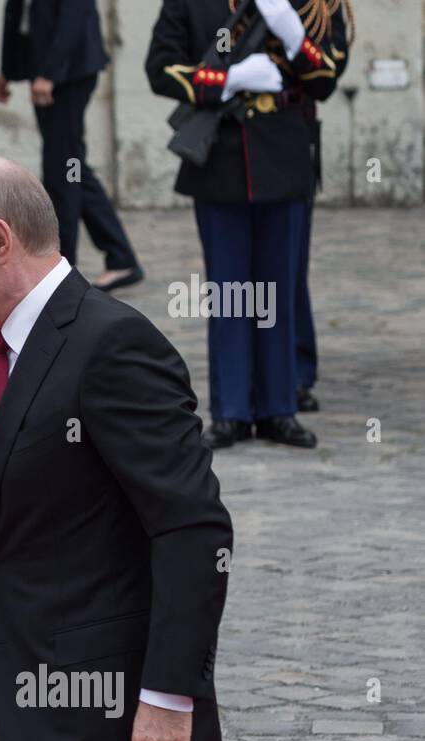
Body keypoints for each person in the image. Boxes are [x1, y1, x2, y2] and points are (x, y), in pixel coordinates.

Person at [0, 155, 232, 741]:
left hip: (118, 731)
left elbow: (194, 530)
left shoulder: (113, 345)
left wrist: (167, 699)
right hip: (46, 730)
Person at [146, 0, 348, 449]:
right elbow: (160, 68)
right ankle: (231, 411)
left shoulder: (304, 4)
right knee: (230, 293)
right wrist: (230, 79)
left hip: (284, 153)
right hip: (221, 158)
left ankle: (279, 409)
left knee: (278, 289)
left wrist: (294, 35)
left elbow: (327, 79)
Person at [0, 0, 143, 292]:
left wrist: (50, 74)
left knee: (62, 170)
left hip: (69, 74)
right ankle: (120, 257)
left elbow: (73, 17)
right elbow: (19, 12)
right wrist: (8, 71)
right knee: (71, 166)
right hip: (44, 69)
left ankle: (62, 268)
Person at [294, 0, 355, 413]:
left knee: (290, 268)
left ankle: (295, 372)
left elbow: (329, 76)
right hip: (231, 145)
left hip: (290, 140)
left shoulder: (320, 4)